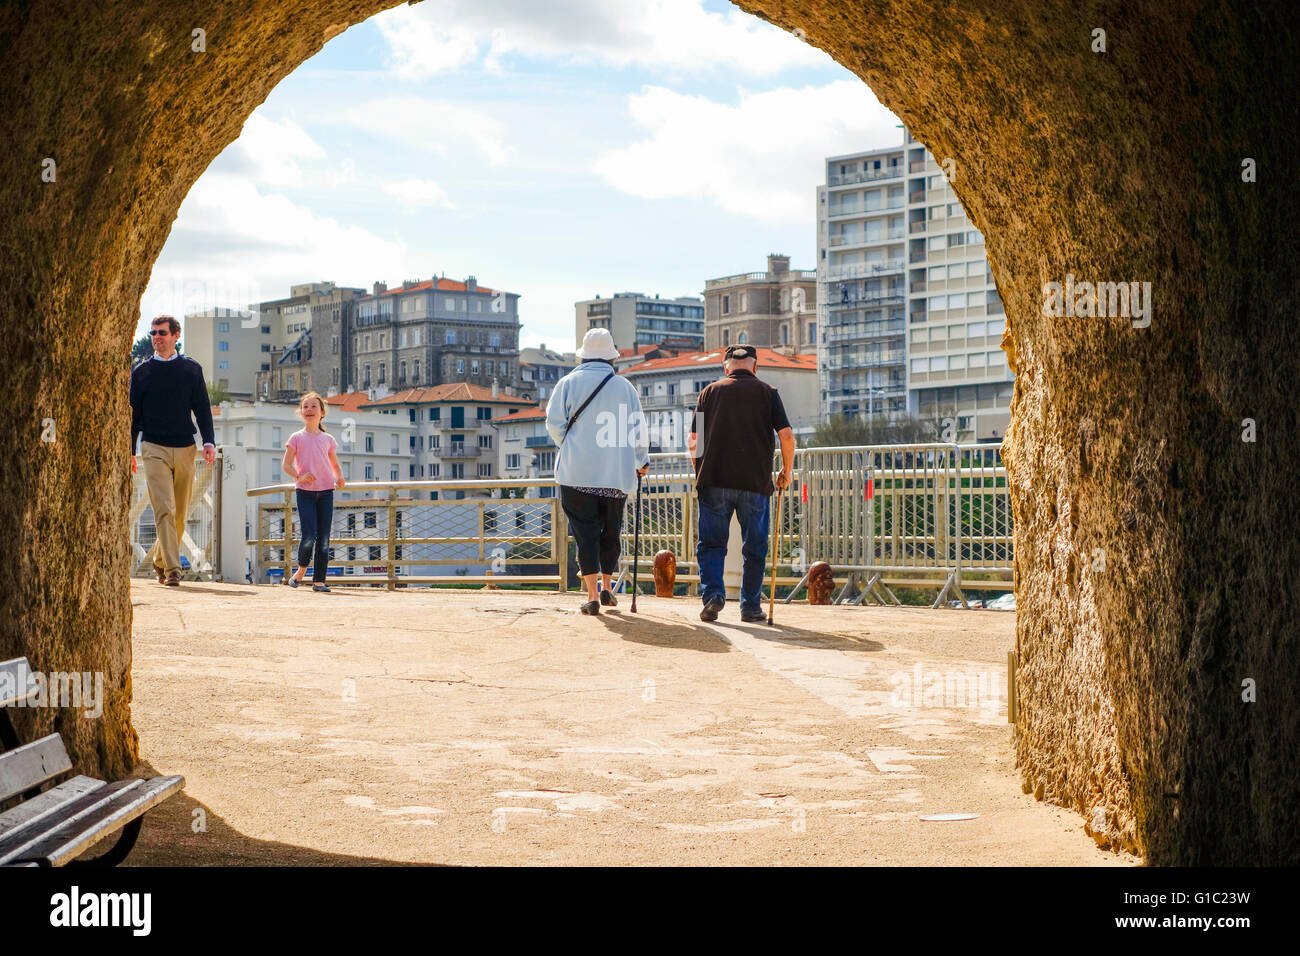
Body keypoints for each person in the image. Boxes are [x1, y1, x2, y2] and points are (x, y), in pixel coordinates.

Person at [688, 345, 796, 622]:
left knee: (712, 544)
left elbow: (693, 441)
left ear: (726, 367)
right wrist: (787, 470)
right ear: (755, 367)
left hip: (714, 480)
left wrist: (699, 471)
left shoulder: (708, 392)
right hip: (754, 483)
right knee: (755, 547)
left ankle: (713, 595)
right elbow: (786, 436)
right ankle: (750, 606)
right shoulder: (768, 392)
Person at [546, 328, 649, 615]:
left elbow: (554, 424)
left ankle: (591, 595)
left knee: (585, 534)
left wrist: (568, 443)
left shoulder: (567, 383)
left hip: (576, 475)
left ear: (583, 355)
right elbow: (638, 431)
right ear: (612, 358)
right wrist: (641, 460)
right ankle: (607, 587)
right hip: (615, 476)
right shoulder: (625, 388)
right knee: (610, 533)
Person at [130, 315, 216, 586]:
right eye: (154, 332)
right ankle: (173, 570)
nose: (157, 337)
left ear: (176, 336)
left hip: (186, 448)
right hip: (153, 446)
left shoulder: (191, 369)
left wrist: (209, 442)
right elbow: (133, 414)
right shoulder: (141, 372)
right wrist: (130, 450)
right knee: (164, 510)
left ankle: (159, 559)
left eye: (162, 332)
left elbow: (202, 407)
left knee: (180, 512)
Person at [282, 392, 345, 592]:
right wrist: (299, 477)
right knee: (309, 535)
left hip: (326, 491)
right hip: (305, 493)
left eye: (313, 407)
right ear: (301, 412)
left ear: (322, 413)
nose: (309, 410)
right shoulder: (296, 437)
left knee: (324, 538)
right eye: (305, 407)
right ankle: (300, 571)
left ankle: (319, 581)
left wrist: (340, 477)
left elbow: (334, 463)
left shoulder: (328, 439)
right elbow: (286, 465)